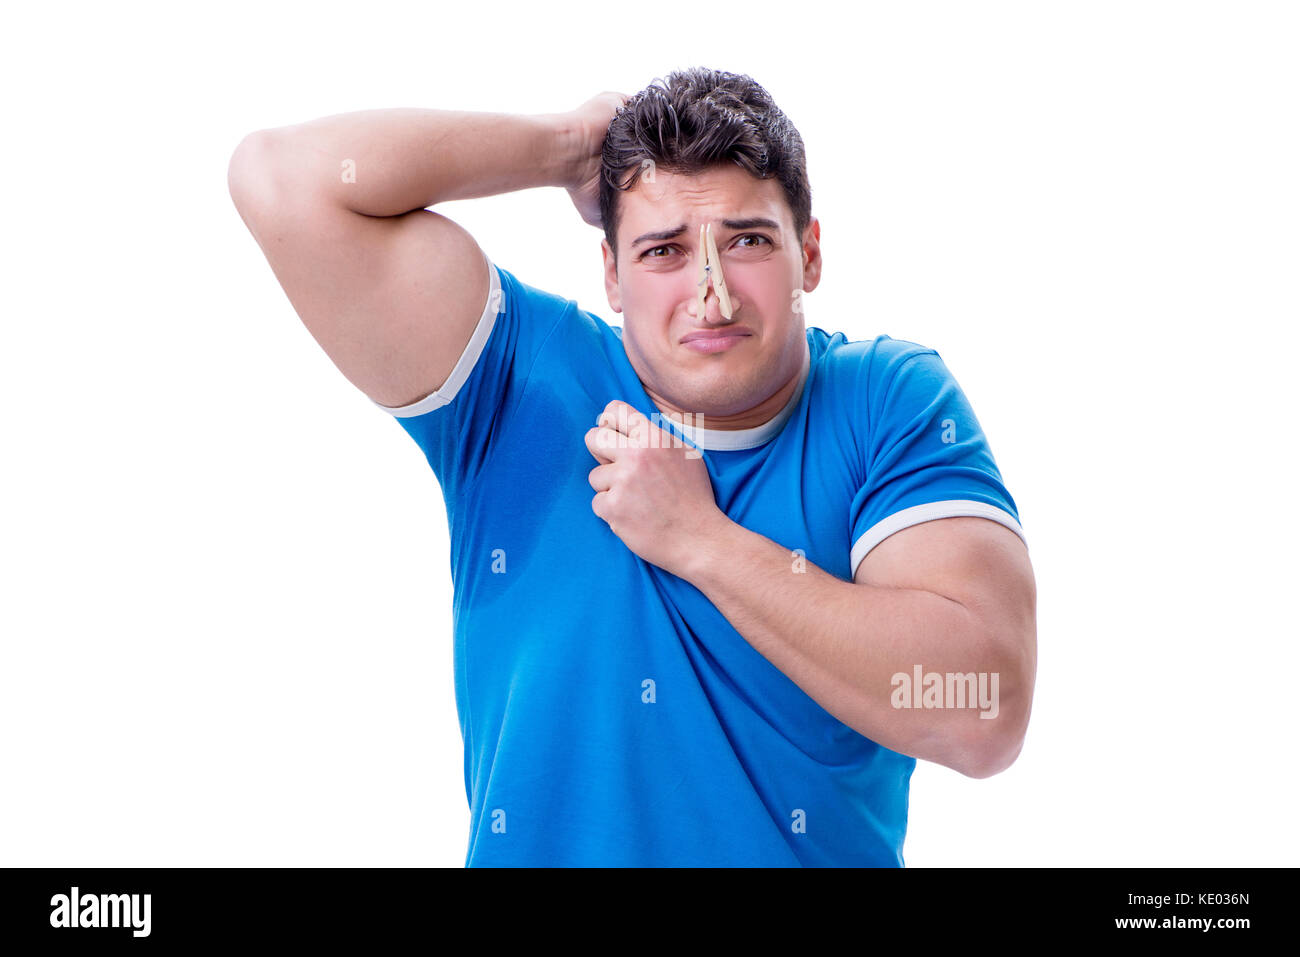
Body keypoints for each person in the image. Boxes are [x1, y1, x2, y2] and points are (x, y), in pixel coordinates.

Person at [227, 67, 1037, 867]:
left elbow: (982, 710)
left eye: (747, 241)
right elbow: (281, 180)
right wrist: (568, 148)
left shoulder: (884, 398)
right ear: (611, 273)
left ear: (810, 254)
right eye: (664, 251)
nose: (711, 295)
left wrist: (700, 540)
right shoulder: (520, 378)